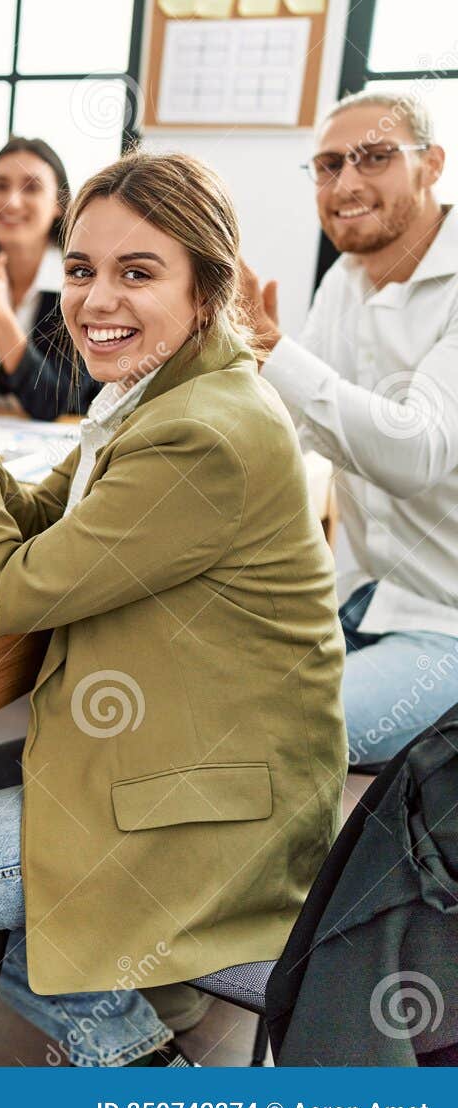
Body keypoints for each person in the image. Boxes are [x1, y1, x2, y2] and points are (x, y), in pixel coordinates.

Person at [0, 149, 346, 1066]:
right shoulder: (158, 391)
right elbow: (35, 526)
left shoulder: (203, 433)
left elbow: (4, 593)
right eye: (84, 269)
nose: (96, 300)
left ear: (208, 290)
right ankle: (134, 1054)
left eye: (138, 273)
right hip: (167, 760)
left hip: (215, 817)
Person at [242, 89, 458, 768]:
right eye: (329, 165)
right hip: (353, 602)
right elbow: (290, 428)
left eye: (374, 157)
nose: (346, 184)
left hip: (443, 631)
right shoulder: (344, 280)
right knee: (192, 688)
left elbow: (417, 452)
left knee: (267, 735)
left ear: (432, 164)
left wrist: (271, 347)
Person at [0, 137, 101, 420]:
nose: (12, 202)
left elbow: (56, 404)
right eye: (0, 186)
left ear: (59, 204)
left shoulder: (82, 284)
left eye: (31, 188)